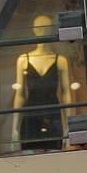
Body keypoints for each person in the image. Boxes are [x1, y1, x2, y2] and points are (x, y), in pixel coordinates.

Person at [12, 15, 70, 152]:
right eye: (39, 27)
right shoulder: (23, 60)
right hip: (30, 114)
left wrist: (68, 125)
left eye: (46, 28)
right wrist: (14, 128)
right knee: (29, 159)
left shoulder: (60, 60)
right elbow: (19, 95)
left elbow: (66, 93)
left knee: (54, 155)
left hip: (53, 114)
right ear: (34, 30)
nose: (42, 31)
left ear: (51, 30)